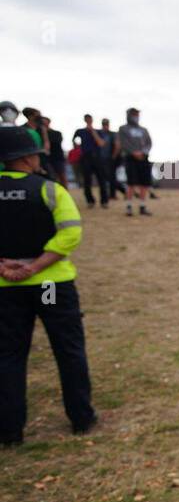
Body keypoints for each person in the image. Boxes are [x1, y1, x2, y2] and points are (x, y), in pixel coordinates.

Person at [0, 126, 97, 444]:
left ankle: (10, 430)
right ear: (28, 158)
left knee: (9, 355)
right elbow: (70, 232)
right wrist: (36, 265)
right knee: (68, 350)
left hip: (5, 288)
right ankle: (81, 417)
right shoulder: (49, 189)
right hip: (50, 283)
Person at [114, 107, 153, 216]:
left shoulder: (143, 130)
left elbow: (149, 143)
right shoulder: (123, 129)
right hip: (130, 158)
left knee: (144, 183)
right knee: (131, 182)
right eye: (134, 114)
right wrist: (133, 152)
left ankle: (142, 206)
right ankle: (129, 206)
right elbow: (123, 143)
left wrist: (143, 152)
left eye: (137, 114)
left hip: (144, 158)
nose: (136, 116)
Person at [74, 115, 110, 208]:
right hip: (86, 157)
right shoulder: (80, 131)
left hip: (97, 157)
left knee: (102, 180)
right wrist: (78, 149)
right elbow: (74, 141)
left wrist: (92, 131)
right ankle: (90, 201)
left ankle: (104, 201)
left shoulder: (98, 131)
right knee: (87, 181)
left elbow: (101, 143)